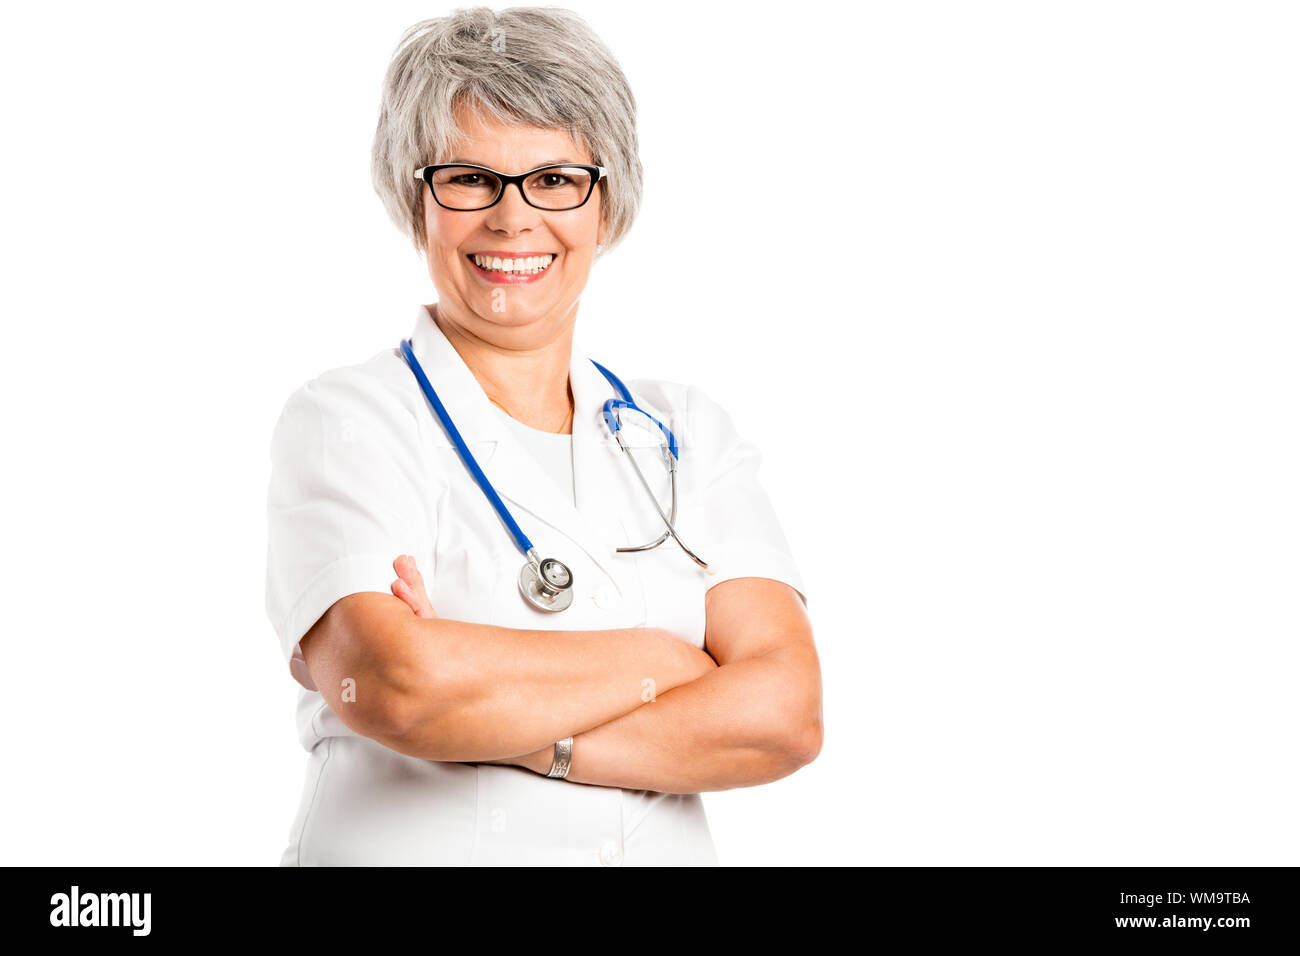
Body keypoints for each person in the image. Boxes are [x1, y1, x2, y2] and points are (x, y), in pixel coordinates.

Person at [264, 6, 822, 866]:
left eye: (555, 178)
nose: (513, 218)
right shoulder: (349, 419)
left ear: (607, 198)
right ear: (418, 200)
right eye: (469, 178)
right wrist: (671, 659)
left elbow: (784, 712)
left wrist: (522, 733)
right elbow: (396, 686)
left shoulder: (687, 435)